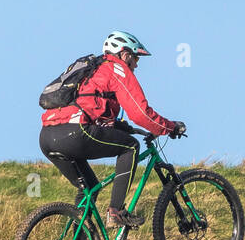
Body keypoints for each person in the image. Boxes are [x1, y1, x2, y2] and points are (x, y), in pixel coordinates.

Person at [39, 31, 186, 228]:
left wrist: (121, 127)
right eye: (135, 58)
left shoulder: (94, 70)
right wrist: (168, 127)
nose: (136, 64)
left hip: (48, 136)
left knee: (88, 188)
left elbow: (91, 107)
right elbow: (141, 113)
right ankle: (116, 212)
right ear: (124, 55)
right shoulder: (117, 70)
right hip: (75, 133)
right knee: (131, 147)